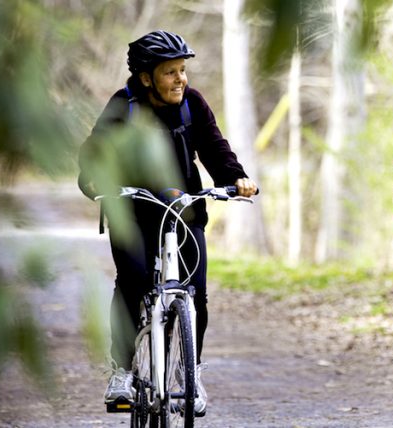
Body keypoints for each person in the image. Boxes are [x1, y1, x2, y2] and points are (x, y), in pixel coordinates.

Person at [77, 30, 258, 416]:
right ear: (146, 78)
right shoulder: (123, 107)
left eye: (183, 70)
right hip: (132, 210)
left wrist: (236, 178)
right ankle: (122, 371)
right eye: (170, 72)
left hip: (183, 209)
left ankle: (190, 373)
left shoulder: (192, 104)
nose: (181, 79)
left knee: (196, 293)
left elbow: (214, 148)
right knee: (134, 281)